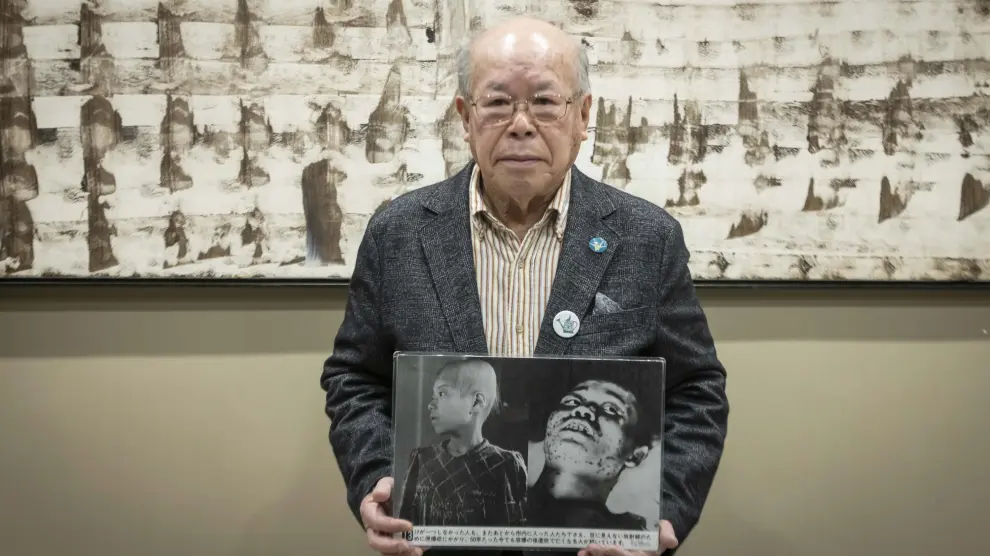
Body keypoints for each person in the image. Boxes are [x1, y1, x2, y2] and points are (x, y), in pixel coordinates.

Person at [320, 15, 729, 556]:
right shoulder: (398, 234)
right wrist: (377, 478)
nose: (520, 124)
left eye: (544, 101)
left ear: (583, 116)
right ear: (465, 118)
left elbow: (696, 391)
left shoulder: (646, 238)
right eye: (496, 103)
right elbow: (355, 378)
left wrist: (667, 512)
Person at [396, 359, 528, 527]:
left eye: (442, 394)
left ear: (476, 402)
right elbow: (404, 527)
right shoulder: (421, 459)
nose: (430, 405)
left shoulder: (508, 465)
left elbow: (518, 537)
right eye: (432, 396)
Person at [528, 378, 658, 532]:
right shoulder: (498, 503)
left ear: (635, 456)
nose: (582, 410)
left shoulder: (631, 538)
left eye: (611, 409)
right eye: (571, 402)